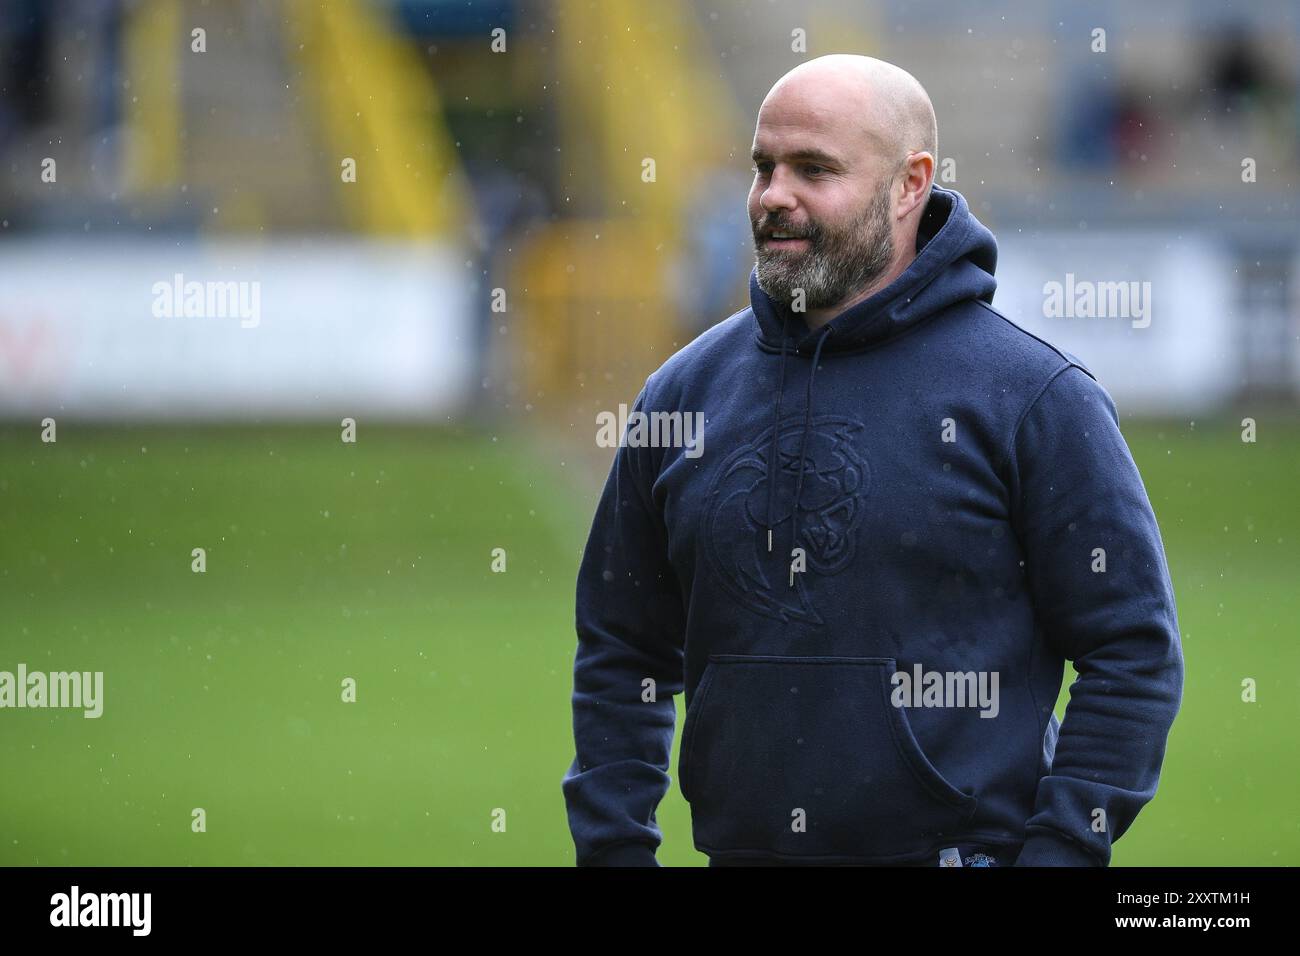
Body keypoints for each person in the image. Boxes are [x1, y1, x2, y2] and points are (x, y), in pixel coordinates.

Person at [561, 54, 1183, 867]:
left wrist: (1063, 850)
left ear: (908, 185)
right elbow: (621, 649)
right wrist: (615, 851)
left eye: (813, 169)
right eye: (763, 167)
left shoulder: (1034, 397)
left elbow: (1131, 650)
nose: (773, 195)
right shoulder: (680, 394)